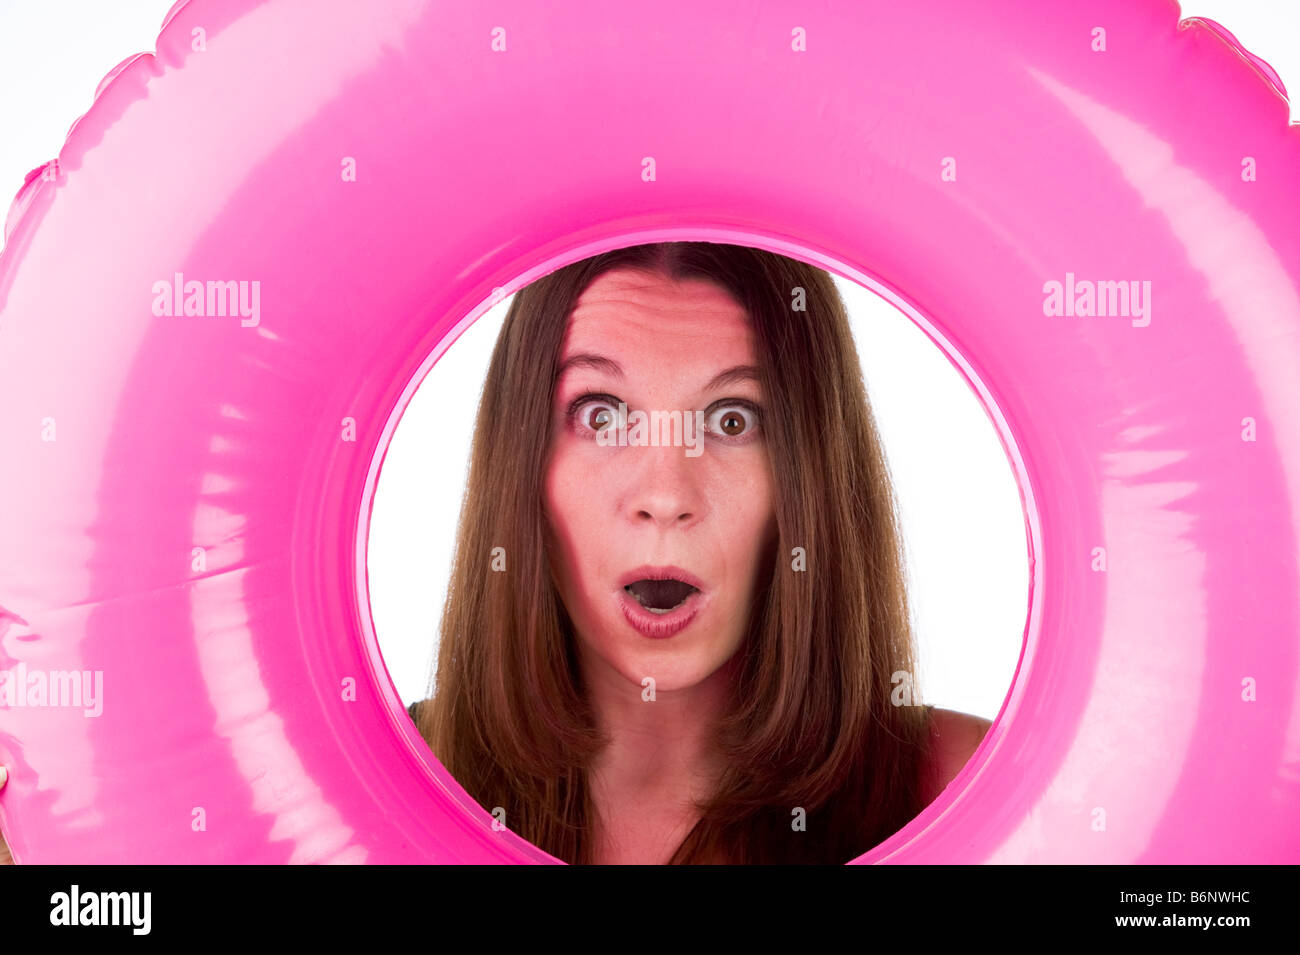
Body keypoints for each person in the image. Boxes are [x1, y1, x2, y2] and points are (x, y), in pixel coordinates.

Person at [406, 240, 992, 865]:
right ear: (522, 464)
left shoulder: (966, 793)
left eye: (732, 419)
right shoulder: (387, 772)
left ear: (808, 477)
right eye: (601, 416)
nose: (665, 496)